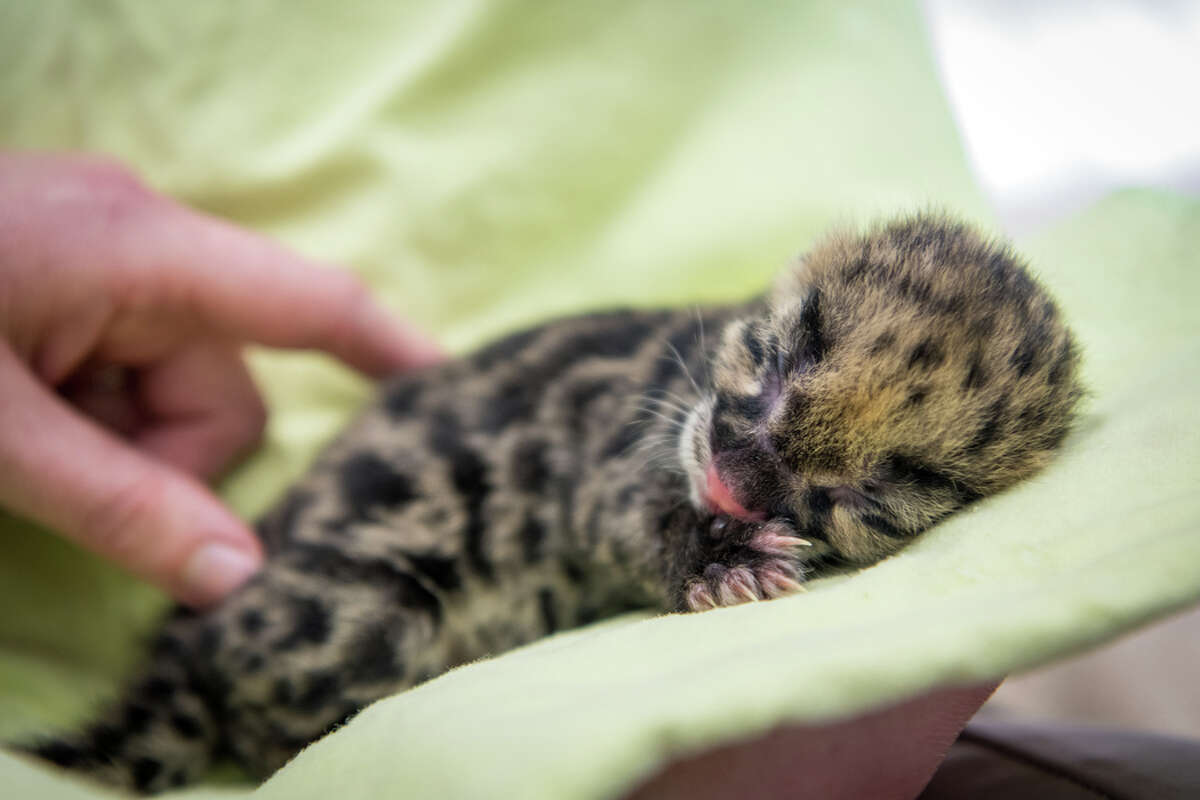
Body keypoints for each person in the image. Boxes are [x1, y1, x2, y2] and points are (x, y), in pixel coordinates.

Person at [0, 151, 991, 798]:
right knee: (358, 636)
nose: (741, 481)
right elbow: (620, 498)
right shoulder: (673, 382)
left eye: (860, 487)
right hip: (378, 595)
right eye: (771, 380)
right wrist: (697, 550)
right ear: (795, 284)